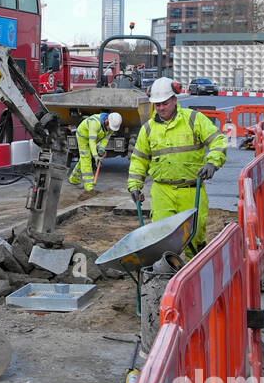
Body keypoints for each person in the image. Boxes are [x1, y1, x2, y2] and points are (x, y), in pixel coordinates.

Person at [127, 78, 226, 257]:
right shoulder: (148, 129)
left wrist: (213, 162)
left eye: (164, 103)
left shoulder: (193, 119)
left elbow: (218, 140)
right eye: (157, 105)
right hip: (162, 191)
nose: (161, 108)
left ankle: (194, 277)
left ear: (174, 100)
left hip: (191, 190)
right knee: (160, 238)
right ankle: (166, 277)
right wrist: (134, 186)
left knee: (194, 239)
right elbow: (139, 160)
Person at [68, 111, 123, 192]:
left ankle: (73, 178)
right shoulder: (94, 123)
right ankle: (89, 187)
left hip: (93, 138)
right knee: (86, 159)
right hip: (83, 137)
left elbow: (105, 139)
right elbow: (92, 142)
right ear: (106, 121)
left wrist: (101, 148)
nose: (111, 130)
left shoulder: (111, 127)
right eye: (110, 128)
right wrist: (96, 156)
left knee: (84, 159)